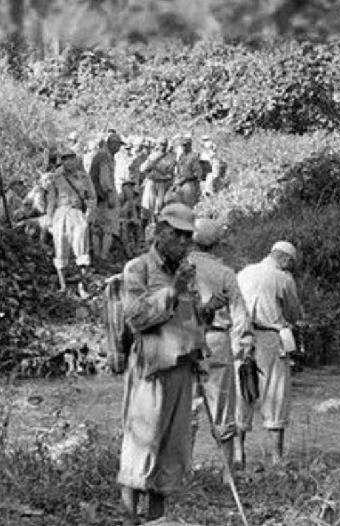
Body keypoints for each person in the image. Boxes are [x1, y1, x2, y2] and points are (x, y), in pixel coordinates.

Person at [117, 203, 222, 524]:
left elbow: (187, 320)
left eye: (187, 236)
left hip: (182, 369)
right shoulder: (139, 269)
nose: (182, 241)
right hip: (151, 370)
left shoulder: (187, 271)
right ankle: (129, 518)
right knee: (141, 447)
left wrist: (205, 314)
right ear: (160, 232)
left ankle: (156, 520)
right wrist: (171, 291)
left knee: (170, 454)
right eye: (176, 234)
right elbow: (136, 318)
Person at [188, 218, 253, 481]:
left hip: (186, 339)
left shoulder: (181, 267)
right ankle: (228, 473)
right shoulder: (224, 273)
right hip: (217, 340)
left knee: (187, 406)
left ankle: (184, 470)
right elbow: (240, 315)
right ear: (216, 245)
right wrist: (244, 348)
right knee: (222, 405)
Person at [235, 241, 304, 467]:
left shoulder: (244, 272)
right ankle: (276, 457)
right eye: (291, 263)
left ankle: (238, 455)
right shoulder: (283, 278)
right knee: (275, 393)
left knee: (242, 393)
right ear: (284, 259)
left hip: (239, 338)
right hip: (269, 339)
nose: (291, 267)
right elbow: (293, 313)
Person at [44, 149, 96, 298]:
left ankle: (82, 286)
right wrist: (49, 219)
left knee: (82, 250)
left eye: (71, 158)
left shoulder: (83, 177)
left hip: (77, 214)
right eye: (65, 158)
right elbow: (52, 200)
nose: (69, 161)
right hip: (61, 214)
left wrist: (88, 215)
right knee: (60, 249)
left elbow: (91, 197)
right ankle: (63, 287)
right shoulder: (56, 178)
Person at [89, 132, 124, 263]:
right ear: (112, 144)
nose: (119, 148)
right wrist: (109, 194)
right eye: (118, 145)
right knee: (108, 227)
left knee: (97, 227)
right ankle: (103, 256)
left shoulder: (99, 155)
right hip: (103, 195)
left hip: (95, 195)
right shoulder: (105, 157)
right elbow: (105, 179)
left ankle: (98, 255)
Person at [140, 138, 176, 223]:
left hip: (162, 183)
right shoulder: (152, 155)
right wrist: (152, 163)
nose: (162, 146)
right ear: (158, 145)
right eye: (161, 144)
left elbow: (170, 173)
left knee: (159, 206)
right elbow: (143, 168)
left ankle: (157, 224)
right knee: (147, 205)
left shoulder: (170, 158)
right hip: (151, 182)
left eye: (164, 145)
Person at [169, 135, 202, 209]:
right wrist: (177, 181)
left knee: (188, 207)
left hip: (189, 184)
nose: (183, 147)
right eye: (182, 145)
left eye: (185, 145)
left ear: (190, 145)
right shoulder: (181, 156)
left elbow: (197, 174)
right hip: (179, 183)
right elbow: (178, 170)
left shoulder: (194, 156)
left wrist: (185, 179)